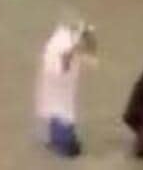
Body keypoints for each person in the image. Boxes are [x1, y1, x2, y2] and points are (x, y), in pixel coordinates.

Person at [36, 18, 97, 158]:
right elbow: (66, 60)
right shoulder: (61, 47)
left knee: (59, 109)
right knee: (61, 111)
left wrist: (85, 38)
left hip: (59, 88)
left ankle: (59, 143)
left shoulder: (60, 42)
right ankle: (62, 144)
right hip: (59, 86)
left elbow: (89, 56)